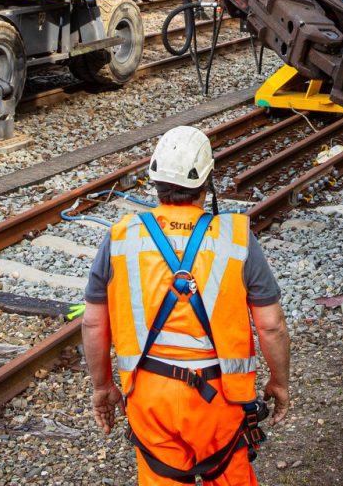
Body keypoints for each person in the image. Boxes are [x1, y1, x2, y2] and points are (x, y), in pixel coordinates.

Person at [82, 126, 292, 485]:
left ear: (155, 181)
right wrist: (280, 382)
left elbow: (92, 323)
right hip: (220, 398)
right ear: (207, 182)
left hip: (149, 395)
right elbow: (271, 325)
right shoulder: (237, 237)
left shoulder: (120, 237)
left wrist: (102, 386)